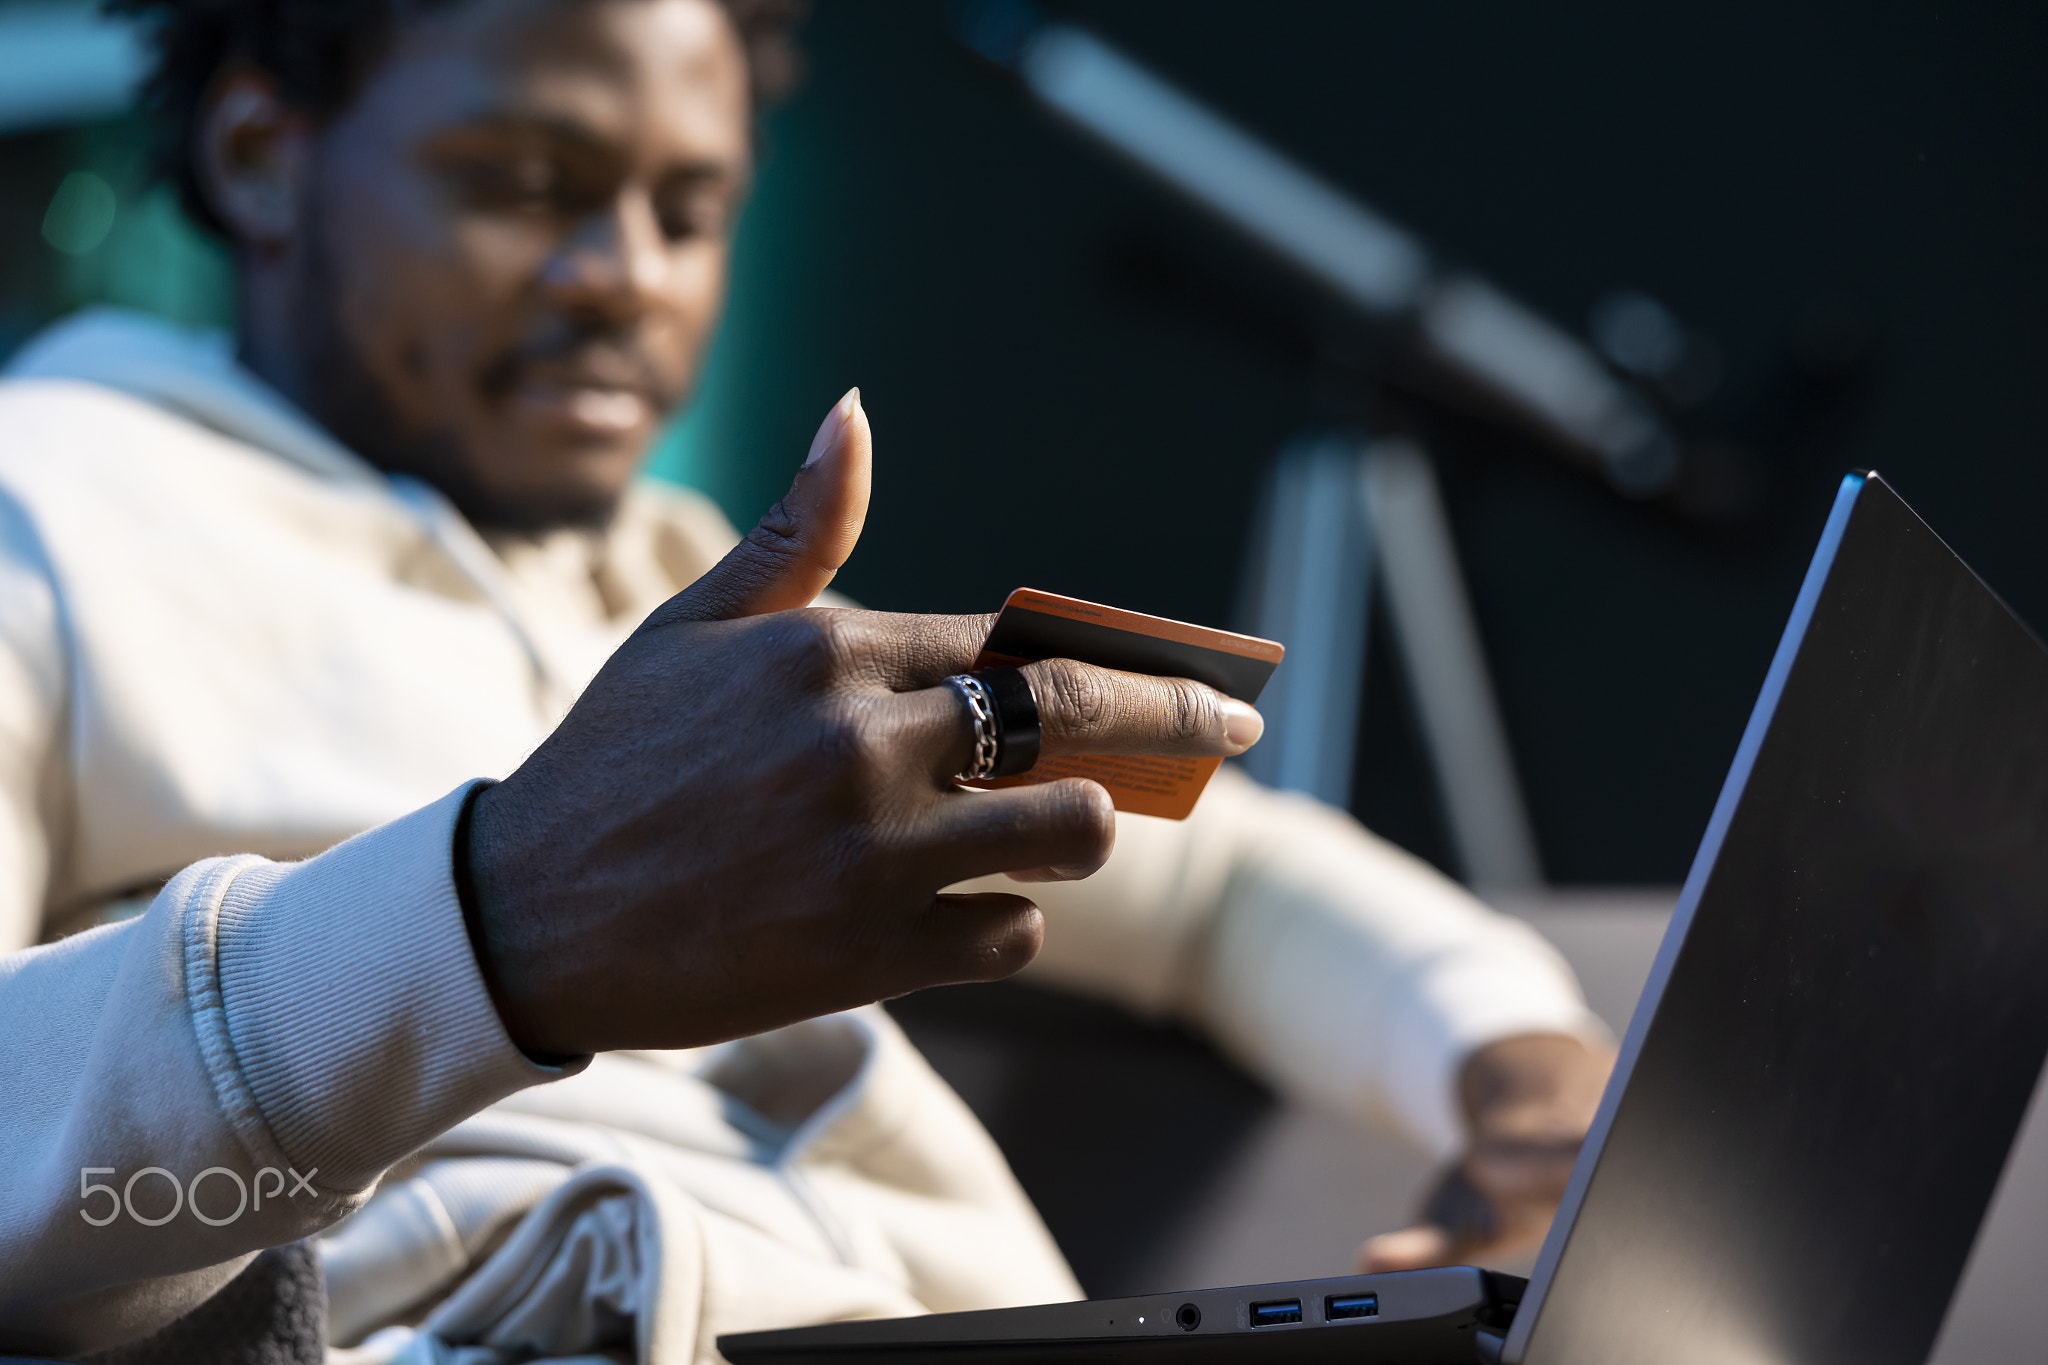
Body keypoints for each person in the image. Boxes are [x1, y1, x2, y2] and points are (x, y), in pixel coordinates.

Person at [0, 0, 1611, 1358]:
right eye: (523, 184)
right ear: (261, 155)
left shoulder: (672, 580)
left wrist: (1512, 1053)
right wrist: (493, 918)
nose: (627, 275)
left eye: (689, 212)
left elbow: (1208, 878)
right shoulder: (50, 510)